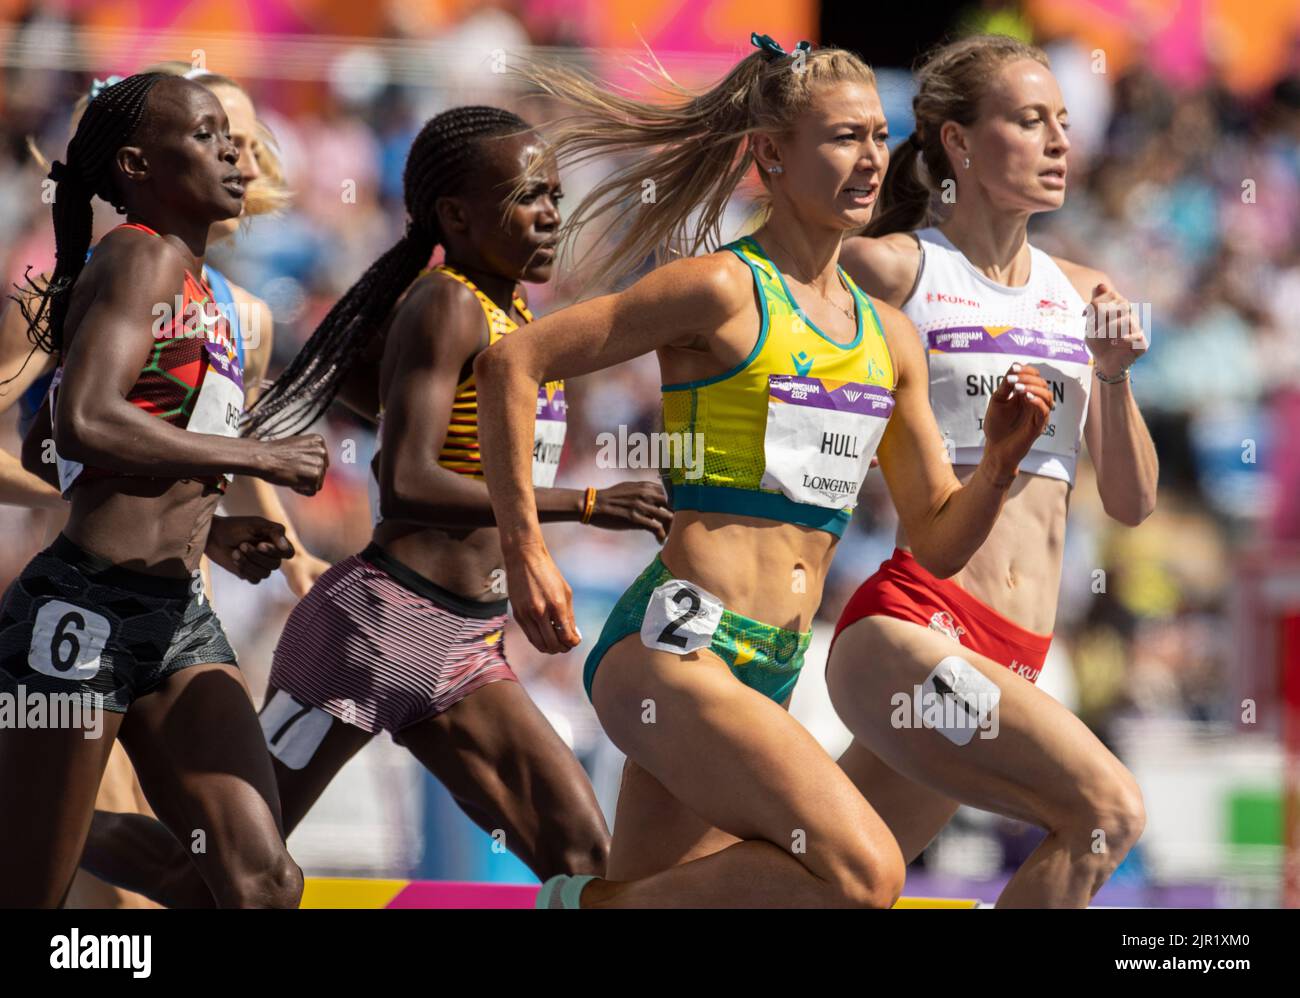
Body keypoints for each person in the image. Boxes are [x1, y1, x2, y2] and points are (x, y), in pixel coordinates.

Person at [474, 34, 1055, 908]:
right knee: (866, 873)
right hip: (677, 646)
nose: (870, 159)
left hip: (774, 662)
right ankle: (578, 906)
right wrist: (526, 550)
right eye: (842, 137)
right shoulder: (719, 290)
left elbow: (935, 540)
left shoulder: (889, 338)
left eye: (878, 135)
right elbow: (512, 364)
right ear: (771, 155)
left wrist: (1001, 466)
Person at [79, 106, 668, 906]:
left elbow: (383, 403)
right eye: (530, 196)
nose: (550, 216)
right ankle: (39, 822)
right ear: (456, 217)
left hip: (460, 645)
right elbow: (407, 484)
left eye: (557, 197)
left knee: (583, 853)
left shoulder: (509, 316)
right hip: (370, 636)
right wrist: (583, 502)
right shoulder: (447, 305)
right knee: (217, 875)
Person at [828, 34, 1158, 907]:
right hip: (914, 627)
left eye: (1061, 121)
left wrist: (1115, 376)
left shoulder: (1084, 291)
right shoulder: (892, 267)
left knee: (825, 885)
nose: (1060, 141)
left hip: (1015, 657)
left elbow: (1130, 502)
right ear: (959, 143)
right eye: (1029, 121)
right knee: (1105, 814)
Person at [0, 64, 329, 909]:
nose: (233, 153)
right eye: (206, 135)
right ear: (138, 166)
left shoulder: (204, 293)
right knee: (37, 890)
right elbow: (81, 422)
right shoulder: (139, 257)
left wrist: (200, 525)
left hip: (178, 615)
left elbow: (48, 451)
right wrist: (256, 459)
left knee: (264, 882)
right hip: (83, 611)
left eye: (237, 138)